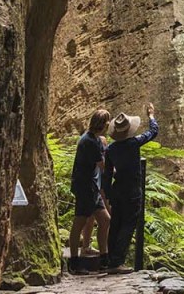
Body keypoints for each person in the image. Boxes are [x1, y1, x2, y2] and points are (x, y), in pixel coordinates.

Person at [103, 103, 159, 271]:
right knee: (128, 224)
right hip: (132, 190)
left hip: (117, 189)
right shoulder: (134, 143)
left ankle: (111, 259)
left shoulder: (111, 149)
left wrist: (108, 193)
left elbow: (107, 174)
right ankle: (117, 262)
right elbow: (153, 132)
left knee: (116, 224)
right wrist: (151, 116)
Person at [68, 109, 112, 273]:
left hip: (91, 188)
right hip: (85, 188)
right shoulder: (89, 142)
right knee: (79, 222)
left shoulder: (94, 139)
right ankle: (73, 263)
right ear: (103, 124)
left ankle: (104, 260)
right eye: (107, 122)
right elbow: (104, 167)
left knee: (105, 220)